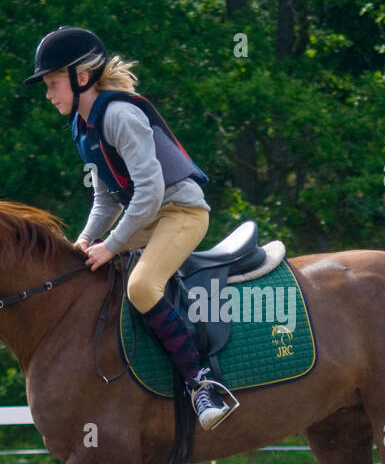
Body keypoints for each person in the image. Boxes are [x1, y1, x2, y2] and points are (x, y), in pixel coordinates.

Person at [24, 26, 236, 430]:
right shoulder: (84, 127)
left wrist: (114, 244)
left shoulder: (120, 116)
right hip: (147, 214)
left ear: (80, 77)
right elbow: (106, 198)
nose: (49, 95)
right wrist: (86, 240)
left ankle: (202, 383)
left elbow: (152, 191)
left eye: (53, 85)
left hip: (180, 213)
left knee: (141, 287)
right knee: (82, 268)